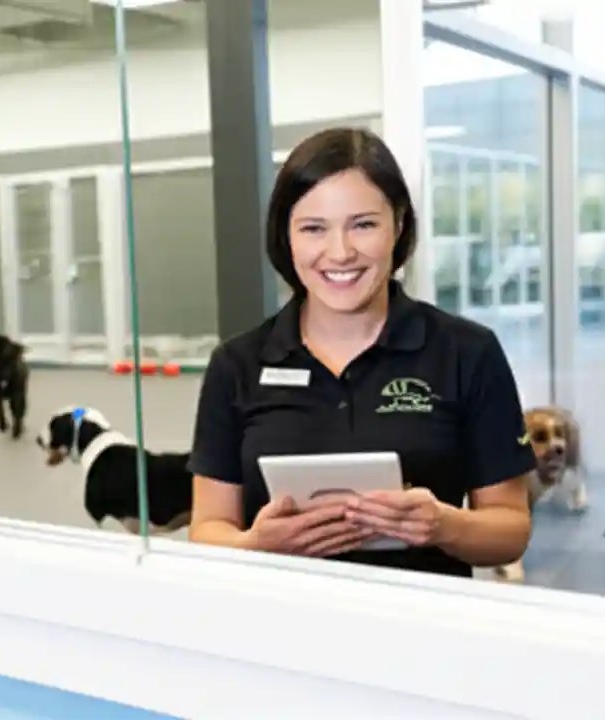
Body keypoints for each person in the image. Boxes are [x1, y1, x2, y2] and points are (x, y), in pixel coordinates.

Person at [186, 127, 535, 578]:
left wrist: (443, 525)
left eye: (364, 225)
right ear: (286, 237)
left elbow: (510, 531)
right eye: (314, 229)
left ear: (400, 224)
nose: (340, 252)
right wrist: (255, 545)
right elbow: (208, 528)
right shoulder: (237, 365)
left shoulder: (468, 352)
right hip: (278, 629)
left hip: (424, 629)